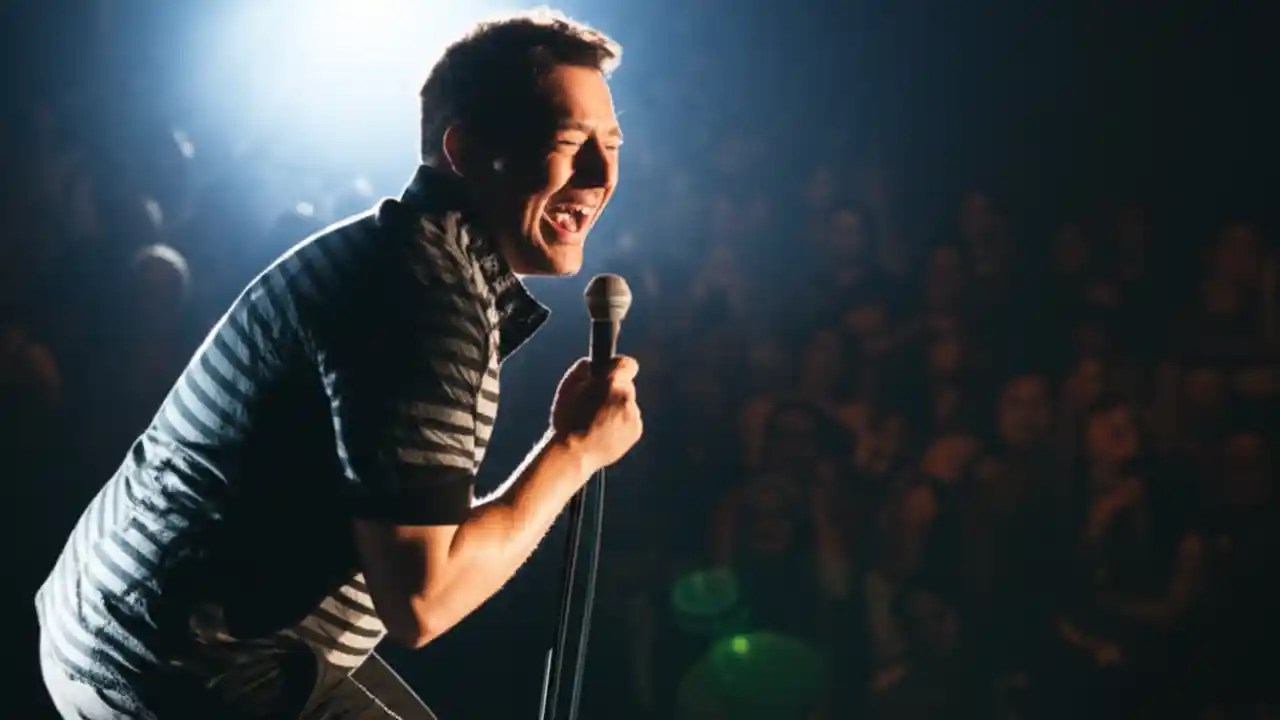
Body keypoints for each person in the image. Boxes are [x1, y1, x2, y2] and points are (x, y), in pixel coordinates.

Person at [35, 9, 642, 719]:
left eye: (612, 144)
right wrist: (573, 452)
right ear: (466, 150)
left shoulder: (408, 256)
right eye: (570, 143)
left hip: (119, 625)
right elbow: (424, 600)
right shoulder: (425, 297)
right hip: (183, 670)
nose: (601, 174)